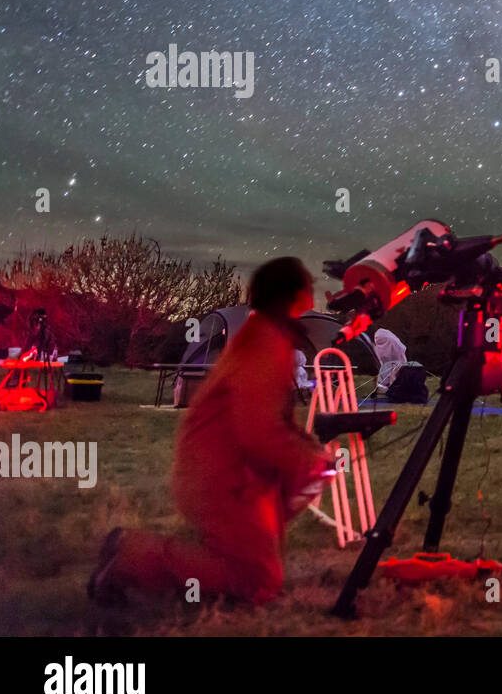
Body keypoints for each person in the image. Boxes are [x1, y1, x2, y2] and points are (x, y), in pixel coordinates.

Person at [88, 258, 333, 606]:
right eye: (308, 286)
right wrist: (308, 458)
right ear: (296, 295)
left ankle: (221, 552)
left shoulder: (262, 335)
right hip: (220, 476)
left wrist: (306, 453)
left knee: (262, 552)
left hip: (226, 470)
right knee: (257, 581)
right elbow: (259, 432)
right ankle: (133, 555)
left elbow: (268, 423)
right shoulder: (265, 344)